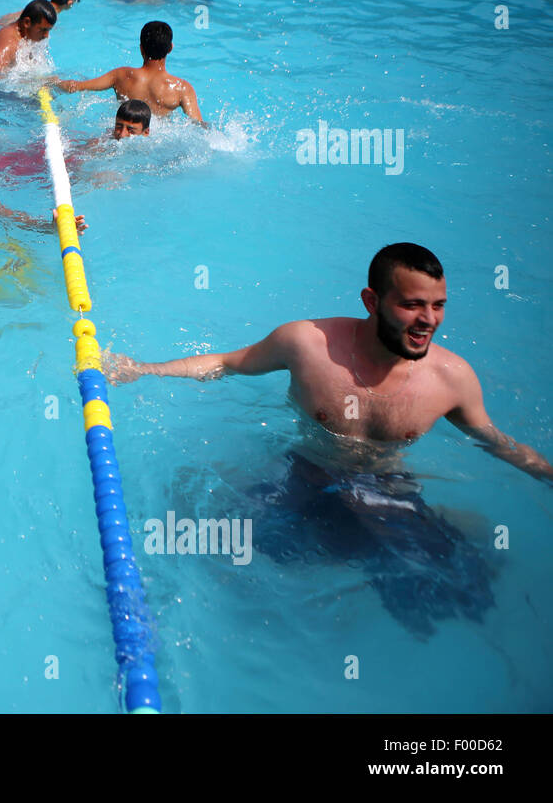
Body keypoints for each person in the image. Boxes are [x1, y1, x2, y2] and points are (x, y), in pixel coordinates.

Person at [102, 243, 552, 635]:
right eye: (413, 305)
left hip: (386, 493)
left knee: (460, 598)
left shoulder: (451, 379)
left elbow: (494, 441)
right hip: (304, 476)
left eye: (438, 305)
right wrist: (144, 371)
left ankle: (447, 524)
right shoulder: (307, 344)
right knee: (217, 553)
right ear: (371, 301)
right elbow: (228, 363)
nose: (428, 320)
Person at [54, 20, 203, 123]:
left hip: (123, 131)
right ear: (170, 48)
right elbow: (198, 126)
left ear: (141, 48)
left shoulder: (121, 75)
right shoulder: (182, 88)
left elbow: (76, 86)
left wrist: (52, 82)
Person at [0, 0, 55, 78]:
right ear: (27, 22)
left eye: (48, 30)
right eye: (43, 30)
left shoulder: (26, 38)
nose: (46, 35)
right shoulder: (8, 43)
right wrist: (43, 82)